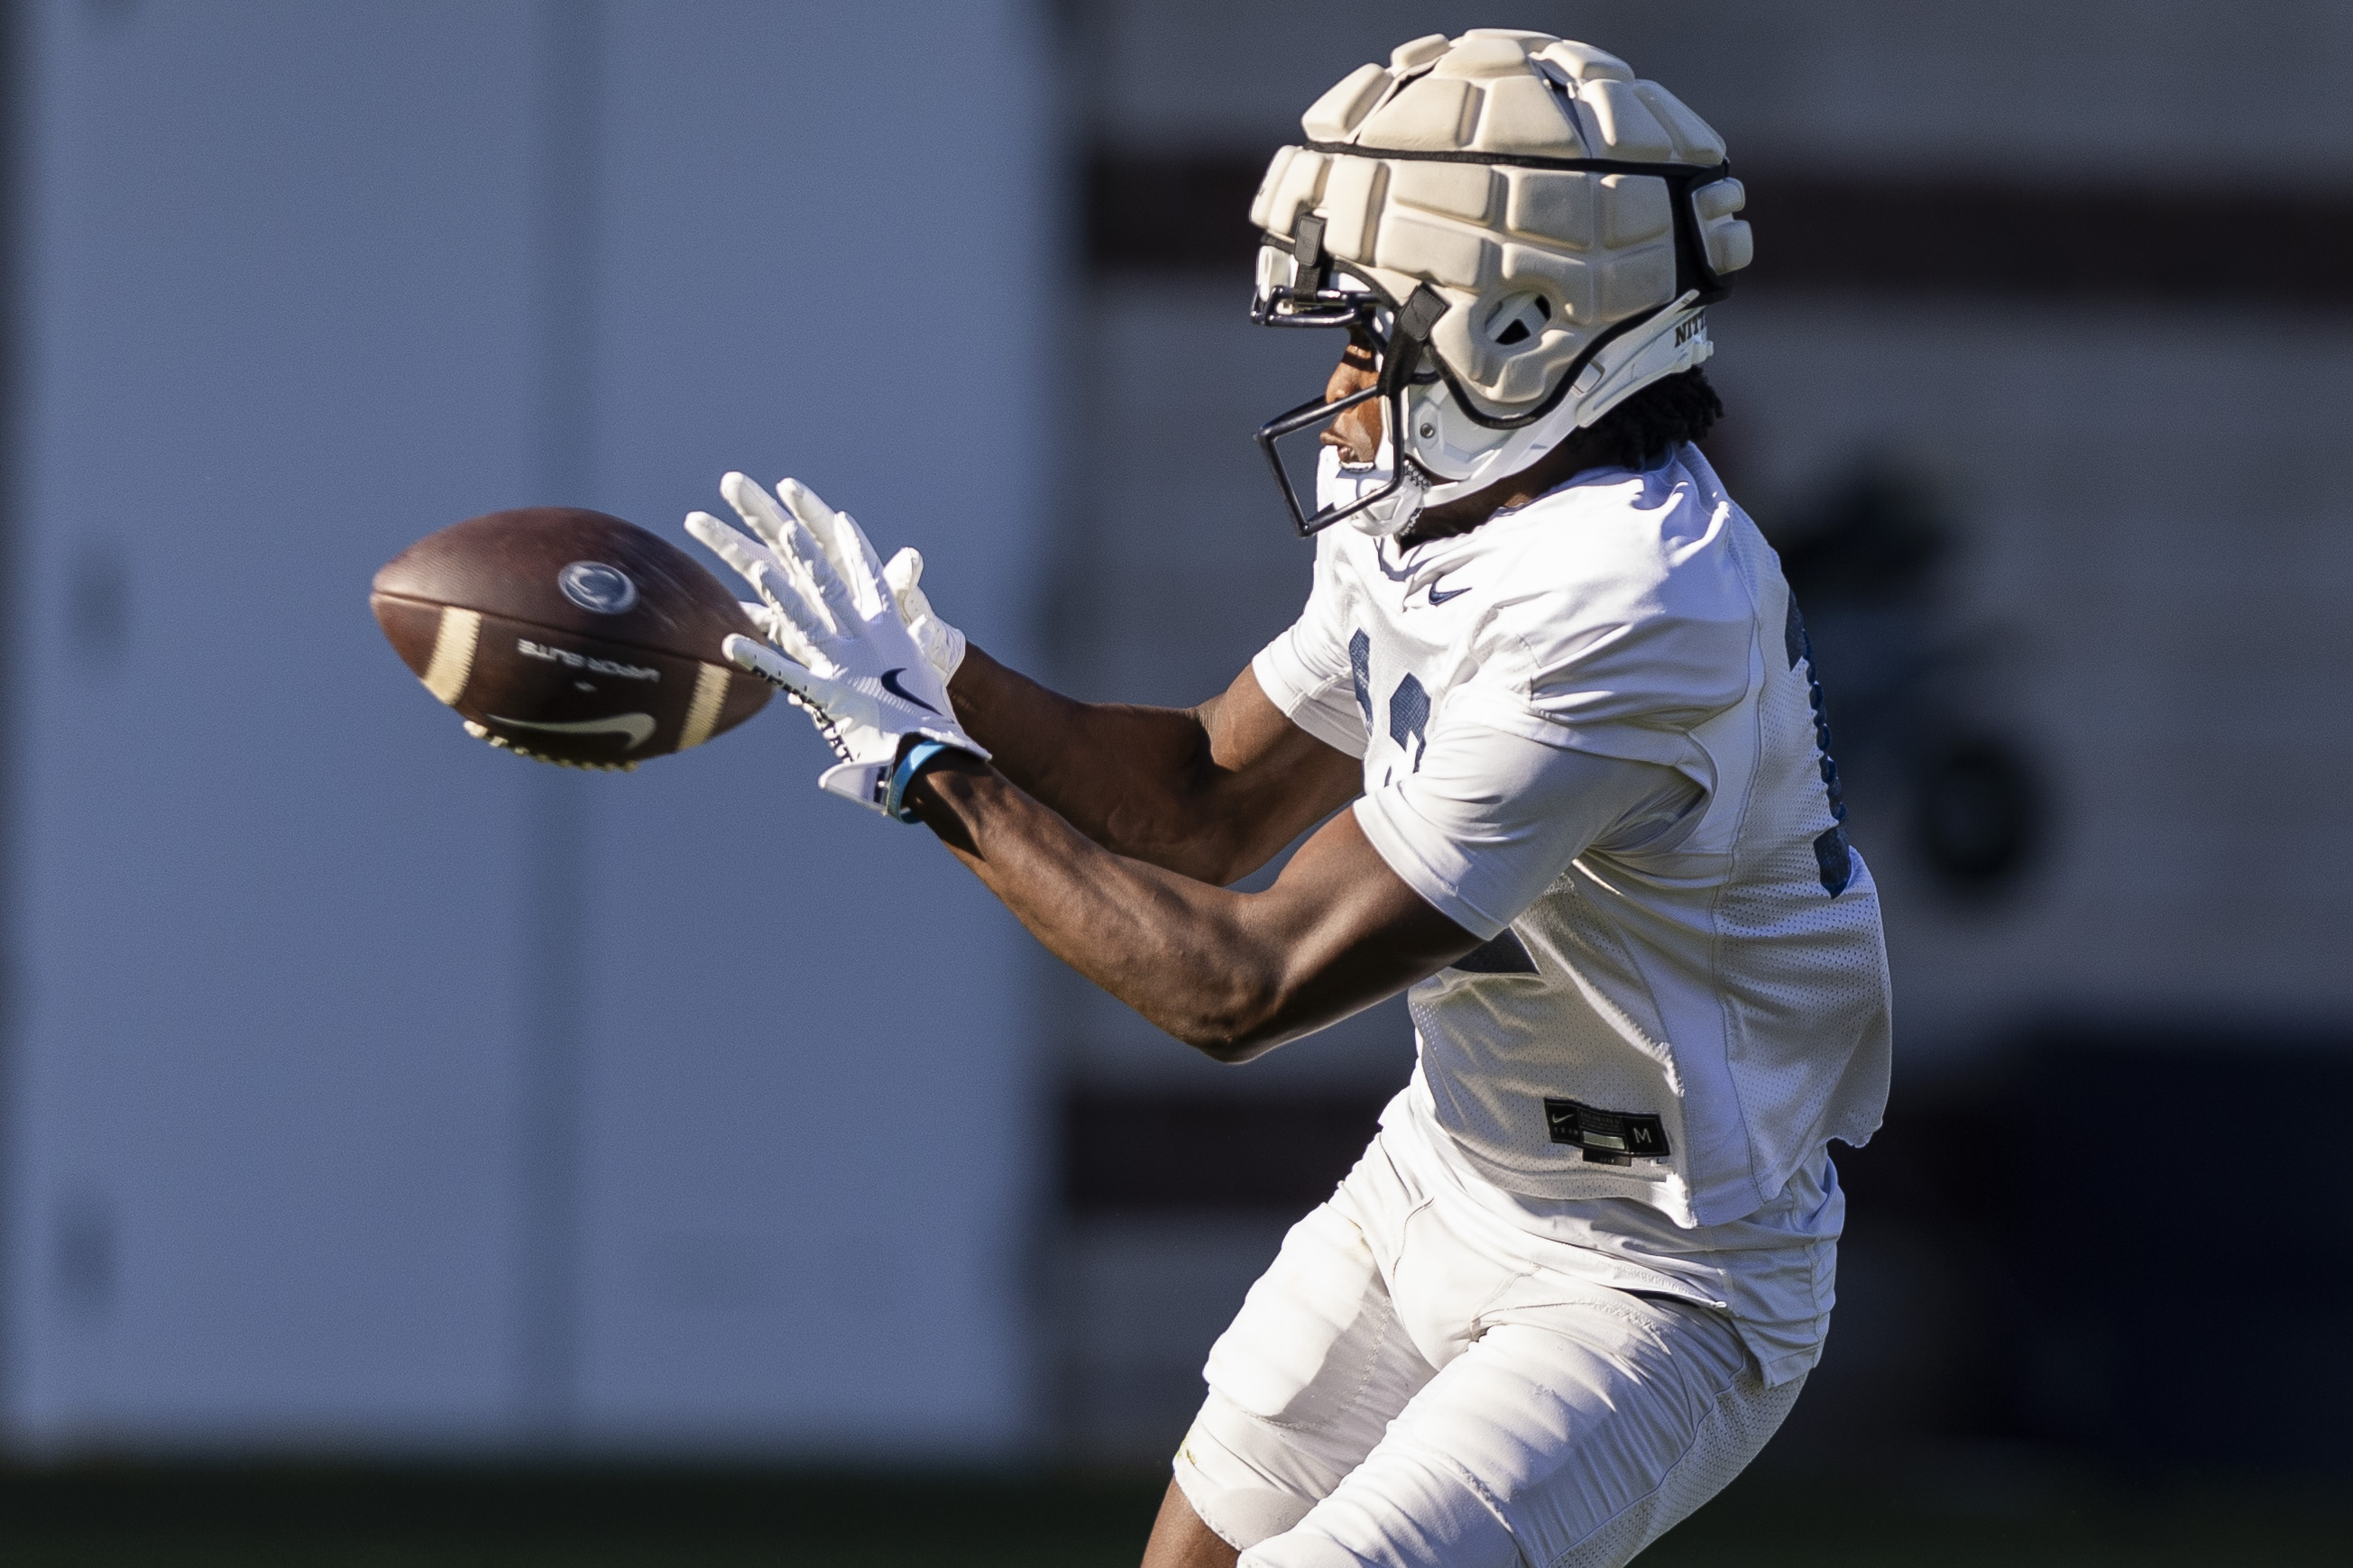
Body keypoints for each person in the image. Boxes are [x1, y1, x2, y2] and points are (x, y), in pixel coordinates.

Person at [686, 30, 1890, 1568]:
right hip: (1445, 1177)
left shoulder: (1629, 603)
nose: (1333, 391)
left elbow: (1237, 987)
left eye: (1364, 337)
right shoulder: (1450, 507)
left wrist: (936, 776)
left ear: (1516, 331)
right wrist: (937, 675)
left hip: (1658, 1270)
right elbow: (1205, 798)